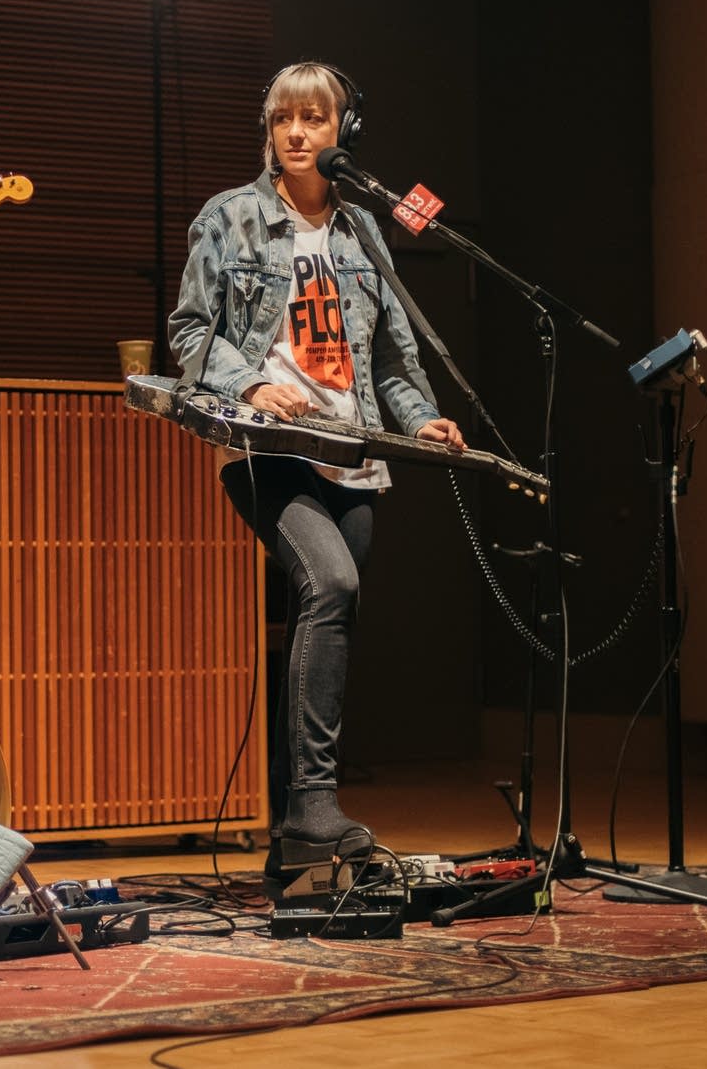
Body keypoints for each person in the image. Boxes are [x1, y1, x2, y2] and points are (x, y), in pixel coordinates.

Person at [167, 61, 466, 873]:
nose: (296, 133)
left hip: (353, 456)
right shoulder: (229, 217)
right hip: (267, 453)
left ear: (343, 132)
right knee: (329, 586)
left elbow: (396, 359)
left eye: (313, 119)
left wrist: (420, 416)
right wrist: (254, 383)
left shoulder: (364, 234)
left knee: (326, 617)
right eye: (281, 120)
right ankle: (313, 806)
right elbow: (189, 334)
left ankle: (292, 839)